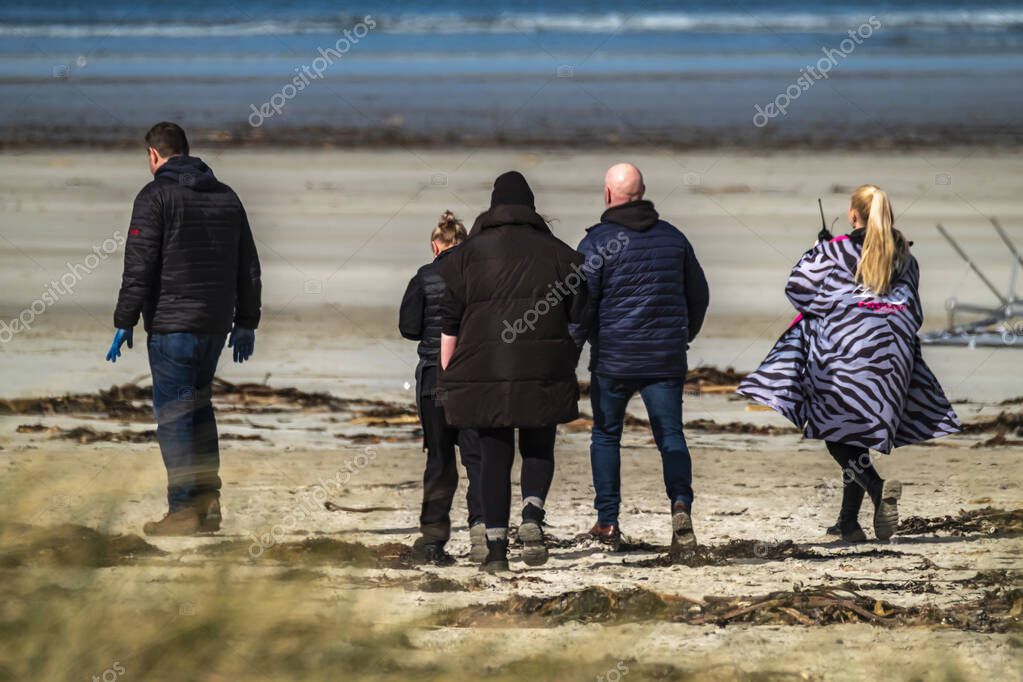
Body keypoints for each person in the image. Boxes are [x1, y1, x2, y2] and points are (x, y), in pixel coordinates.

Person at [738, 184, 961, 542]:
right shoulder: (905, 257)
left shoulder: (833, 251)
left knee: (836, 433)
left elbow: (797, 290)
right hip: (893, 362)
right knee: (852, 432)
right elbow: (914, 313)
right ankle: (848, 523)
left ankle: (877, 488)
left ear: (854, 214)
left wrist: (816, 252)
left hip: (844, 355)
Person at [106, 122, 262, 536]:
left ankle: (183, 511)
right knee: (200, 412)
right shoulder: (227, 197)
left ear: (153, 155)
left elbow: (138, 267)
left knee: (175, 418)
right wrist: (246, 322)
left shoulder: (154, 196)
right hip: (213, 326)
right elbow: (249, 265)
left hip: (173, 327)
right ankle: (208, 507)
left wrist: (124, 321)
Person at [438, 171, 586, 572]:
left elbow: (449, 320)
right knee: (539, 445)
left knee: (493, 455)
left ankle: (498, 550)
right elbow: (580, 318)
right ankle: (533, 516)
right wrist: (566, 359)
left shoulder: (465, 256)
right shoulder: (561, 254)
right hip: (543, 368)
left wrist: (448, 373)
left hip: (485, 372)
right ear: (531, 208)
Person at [572, 163, 710, 553]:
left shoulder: (596, 243)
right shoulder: (674, 238)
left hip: (614, 360)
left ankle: (608, 521)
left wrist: (570, 352)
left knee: (605, 435)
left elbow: (582, 307)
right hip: (664, 359)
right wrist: (684, 336)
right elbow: (698, 296)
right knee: (670, 436)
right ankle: (680, 504)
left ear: (608, 195)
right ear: (644, 191)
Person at [399, 210, 484, 566]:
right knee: (477, 459)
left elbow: (407, 327)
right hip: (472, 376)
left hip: (434, 374)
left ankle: (433, 541)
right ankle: (483, 529)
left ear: (435, 245)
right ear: (464, 244)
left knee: (439, 460)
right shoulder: (478, 276)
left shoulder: (423, 276)